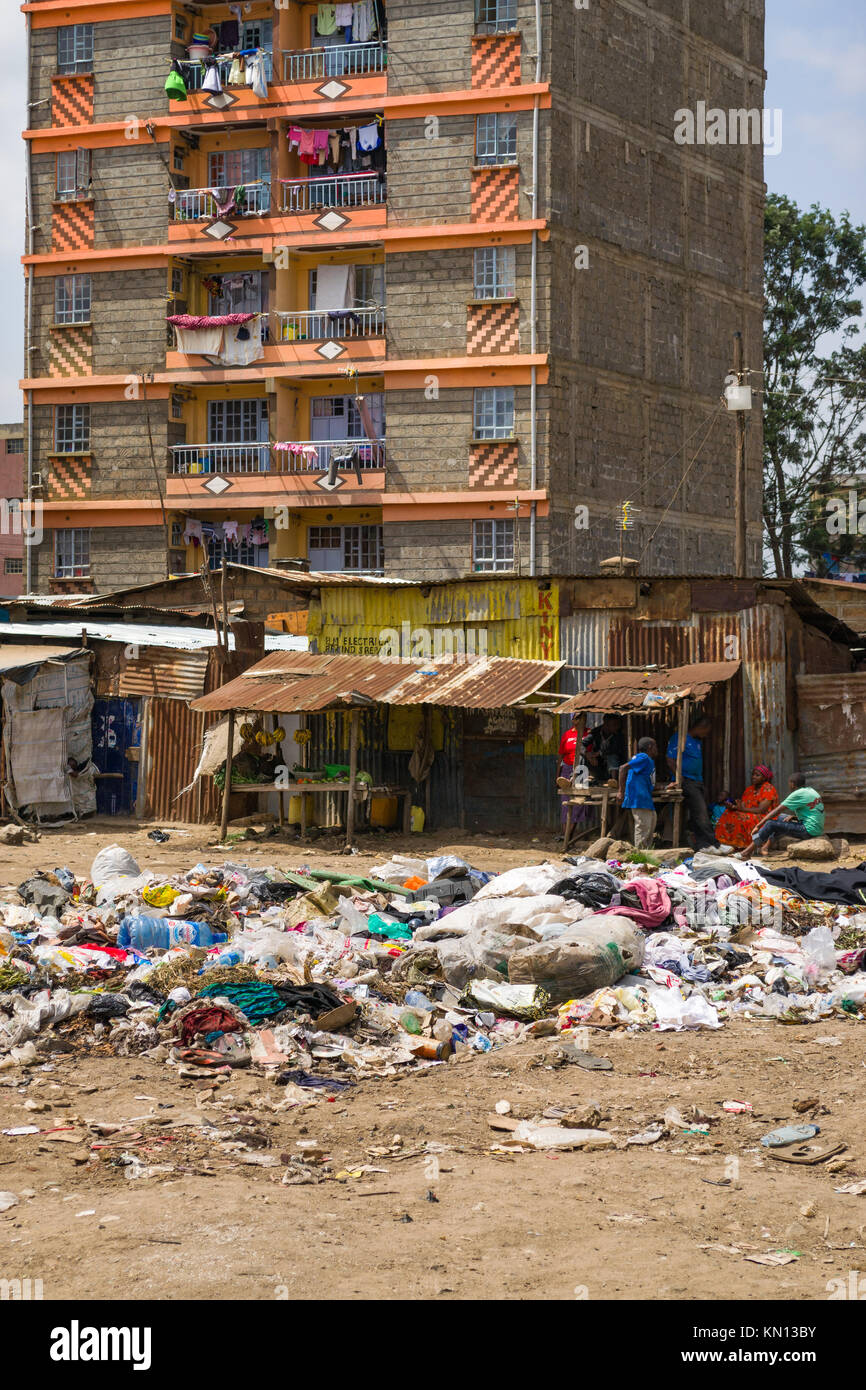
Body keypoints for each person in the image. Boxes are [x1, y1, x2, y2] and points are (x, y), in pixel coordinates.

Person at [740, 772, 825, 858]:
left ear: (792, 784)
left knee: (771, 824)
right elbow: (814, 812)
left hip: (808, 830)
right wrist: (795, 817)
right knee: (781, 818)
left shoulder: (797, 794)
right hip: (816, 828)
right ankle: (765, 847)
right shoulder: (811, 791)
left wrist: (758, 826)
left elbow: (777, 810)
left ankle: (746, 852)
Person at [666, 715, 715, 849]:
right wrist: (679, 777)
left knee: (699, 812)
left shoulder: (697, 741)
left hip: (697, 780)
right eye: (707, 731)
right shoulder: (679, 737)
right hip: (686, 780)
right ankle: (712, 844)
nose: (706, 735)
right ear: (701, 727)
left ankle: (701, 843)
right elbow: (670, 760)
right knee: (701, 812)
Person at [714, 764, 779, 851]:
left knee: (742, 817)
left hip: (764, 817)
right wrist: (733, 807)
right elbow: (743, 806)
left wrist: (741, 809)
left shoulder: (768, 789)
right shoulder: (749, 789)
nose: (753, 777)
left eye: (757, 775)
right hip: (750, 813)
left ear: (764, 778)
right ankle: (727, 843)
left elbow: (761, 810)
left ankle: (743, 845)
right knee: (728, 813)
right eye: (753, 774)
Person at [617, 736, 658, 848]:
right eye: (655, 746)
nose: (656, 749)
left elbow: (649, 781)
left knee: (651, 822)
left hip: (645, 798)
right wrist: (621, 791)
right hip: (638, 797)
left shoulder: (648, 761)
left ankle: (646, 853)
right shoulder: (643, 757)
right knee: (643, 826)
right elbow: (622, 768)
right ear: (650, 747)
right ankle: (640, 855)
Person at [581, 713, 627, 786]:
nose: (617, 727)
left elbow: (614, 749)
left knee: (612, 756)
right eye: (614, 724)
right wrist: (588, 754)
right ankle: (576, 779)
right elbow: (581, 744)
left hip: (613, 769)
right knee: (581, 756)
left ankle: (613, 781)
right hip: (598, 766)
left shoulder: (619, 735)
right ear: (606, 724)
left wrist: (598, 753)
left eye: (617, 724)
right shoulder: (596, 732)